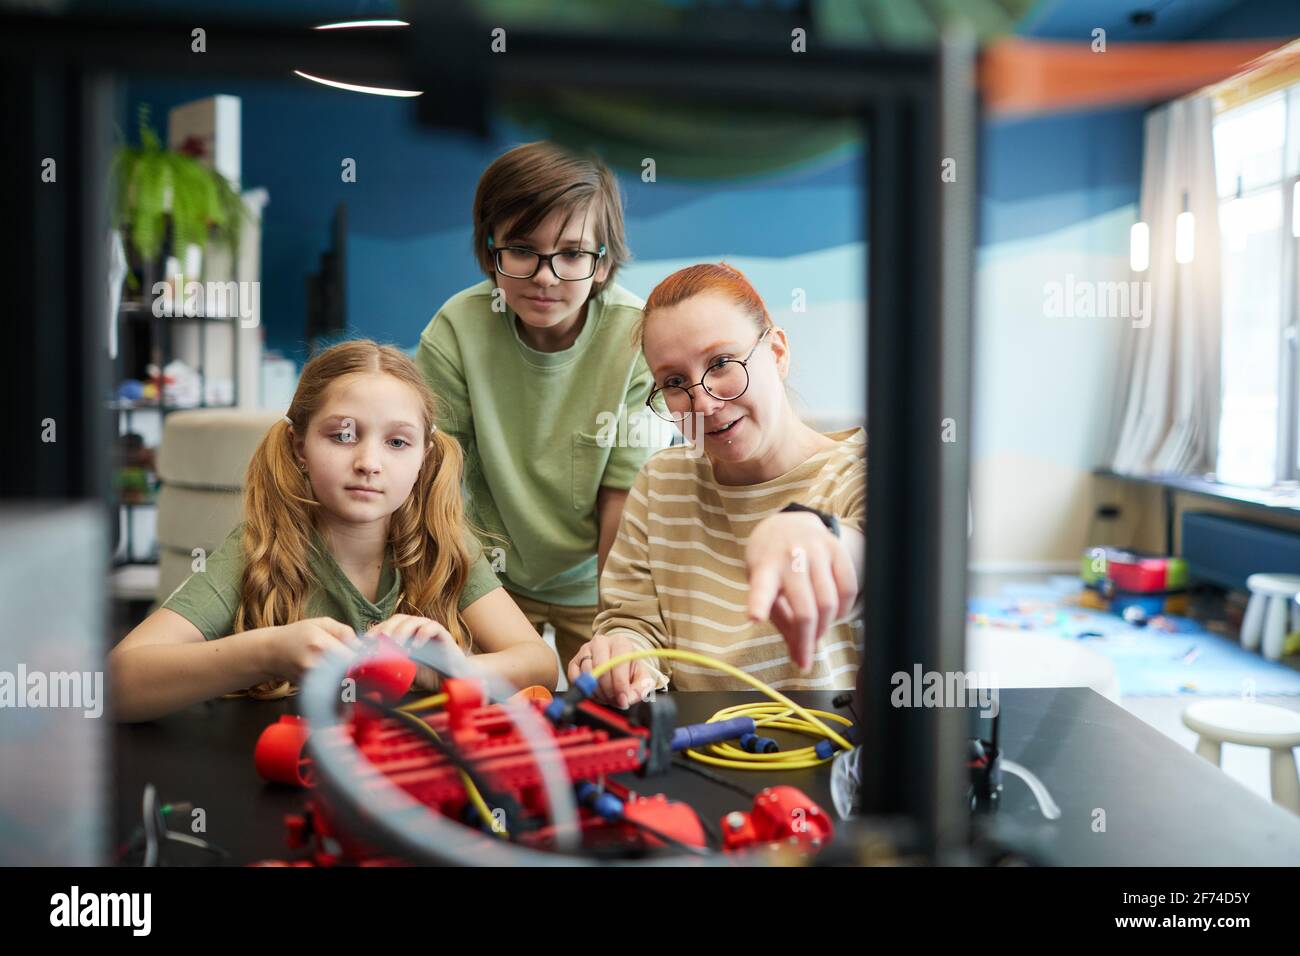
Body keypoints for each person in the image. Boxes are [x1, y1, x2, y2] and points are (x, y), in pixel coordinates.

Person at [109, 340, 556, 722]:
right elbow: (118, 683)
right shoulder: (257, 551)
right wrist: (267, 652)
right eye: (342, 435)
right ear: (298, 446)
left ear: (425, 456)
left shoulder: (446, 544)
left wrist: (446, 668)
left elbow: (540, 664)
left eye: (397, 442)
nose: (369, 462)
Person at [415, 141, 662, 673]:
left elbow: (623, 496)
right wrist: (467, 590)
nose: (546, 276)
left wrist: (614, 620)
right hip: (486, 581)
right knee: (482, 718)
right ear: (490, 249)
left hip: (599, 579)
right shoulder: (456, 331)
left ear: (604, 262)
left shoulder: (638, 336)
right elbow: (441, 485)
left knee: (616, 704)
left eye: (572, 254)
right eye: (523, 249)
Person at [568, 264, 865, 706]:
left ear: (778, 352)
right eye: (674, 382)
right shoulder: (660, 486)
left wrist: (820, 536)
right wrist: (624, 655)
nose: (703, 402)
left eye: (721, 363)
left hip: (833, 757)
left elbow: (901, 552)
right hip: (704, 754)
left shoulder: (862, 471)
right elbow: (633, 624)